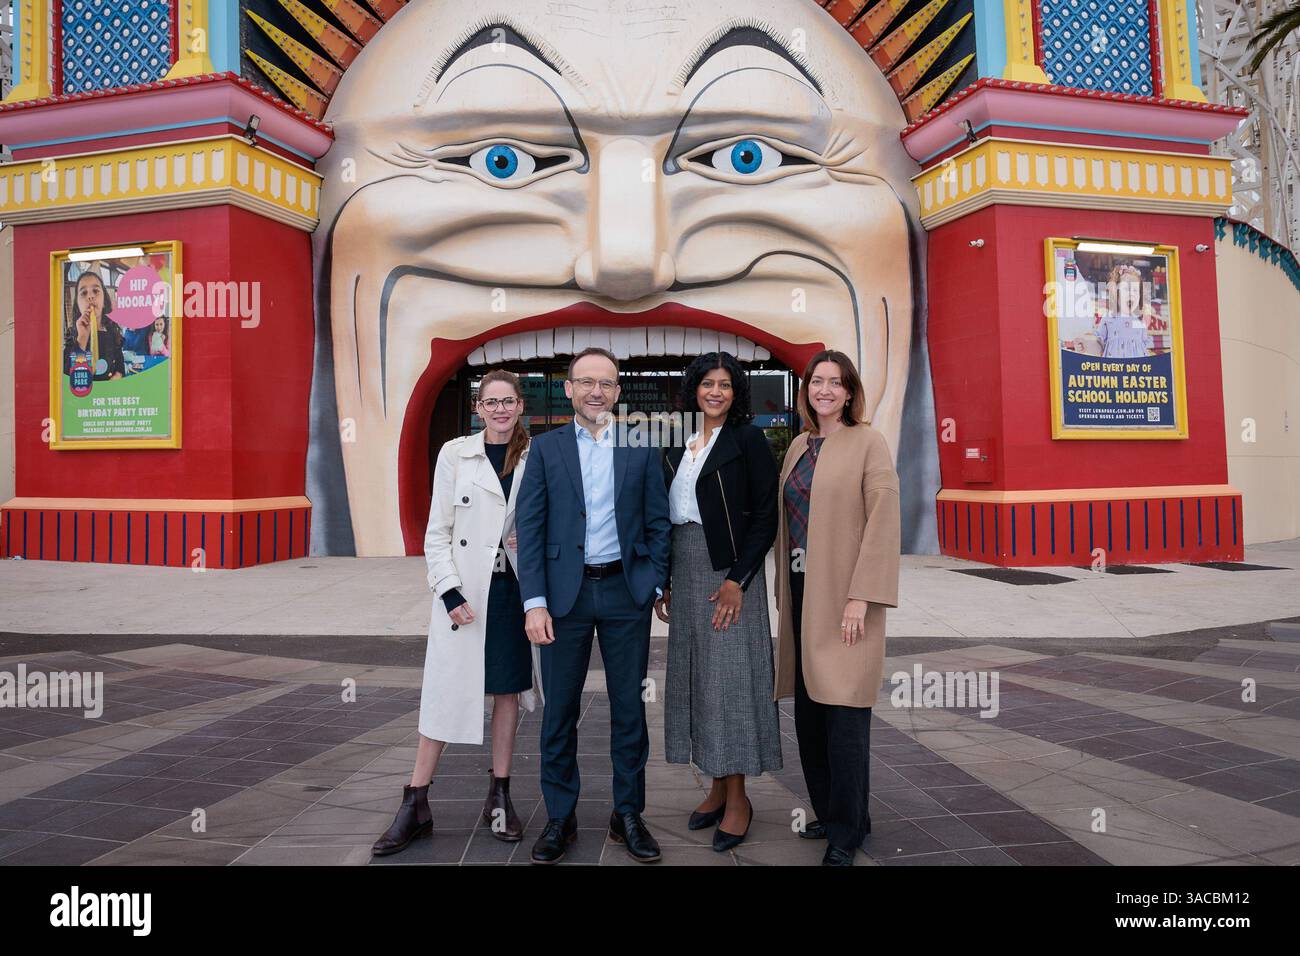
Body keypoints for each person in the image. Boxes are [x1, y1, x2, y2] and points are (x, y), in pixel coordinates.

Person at [372, 369, 541, 856]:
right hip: (464, 596)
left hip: (513, 593)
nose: (501, 410)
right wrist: (447, 590)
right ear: (478, 408)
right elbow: (437, 531)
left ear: (520, 406)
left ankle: (501, 794)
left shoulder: (536, 457)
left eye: (509, 401)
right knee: (445, 694)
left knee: (508, 691)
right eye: (492, 402)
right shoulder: (455, 453)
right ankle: (415, 802)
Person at [514, 347, 671, 864]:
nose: (595, 391)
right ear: (568, 389)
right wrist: (534, 602)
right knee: (559, 709)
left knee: (629, 709)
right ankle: (561, 815)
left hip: (625, 594)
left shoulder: (641, 447)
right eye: (586, 382)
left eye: (605, 383)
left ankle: (628, 814)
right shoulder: (545, 448)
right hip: (564, 598)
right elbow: (530, 531)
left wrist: (652, 582)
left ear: (618, 391)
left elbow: (657, 523)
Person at [773, 349, 900, 866]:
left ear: (849, 392)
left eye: (835, 382)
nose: (824, 390)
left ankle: (848, 832)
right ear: (806, 390)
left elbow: (883, 519)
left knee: (844, 715)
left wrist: (860, 597)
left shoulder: (868, 442)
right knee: (809, 712)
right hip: (803, 593)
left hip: (846, 597)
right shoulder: (799, 446)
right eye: (816, 381)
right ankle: (830, 810)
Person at [656, 352, 781, 852]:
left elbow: (764, 517)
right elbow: (662, 513)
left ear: (736, 393)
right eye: (707, 384)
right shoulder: (675, 440)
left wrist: (738, 579)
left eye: (725, 385)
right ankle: (713, 784)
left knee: (731, 682)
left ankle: (739, 799)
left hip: (729, 572)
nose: (715, 392)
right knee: (698, 680)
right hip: (684, 567)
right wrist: (663, 579)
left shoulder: (748, 440)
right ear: (693, 390)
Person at [62, 271, 125, 381]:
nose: (90, 296)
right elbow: (69, 376)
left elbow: (120, 364)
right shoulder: (73, 337)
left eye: (95, 291)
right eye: (84, 293)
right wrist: (82, 338)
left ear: (104, 301)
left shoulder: (112, 332)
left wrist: (118, 375)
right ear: (77, 304)